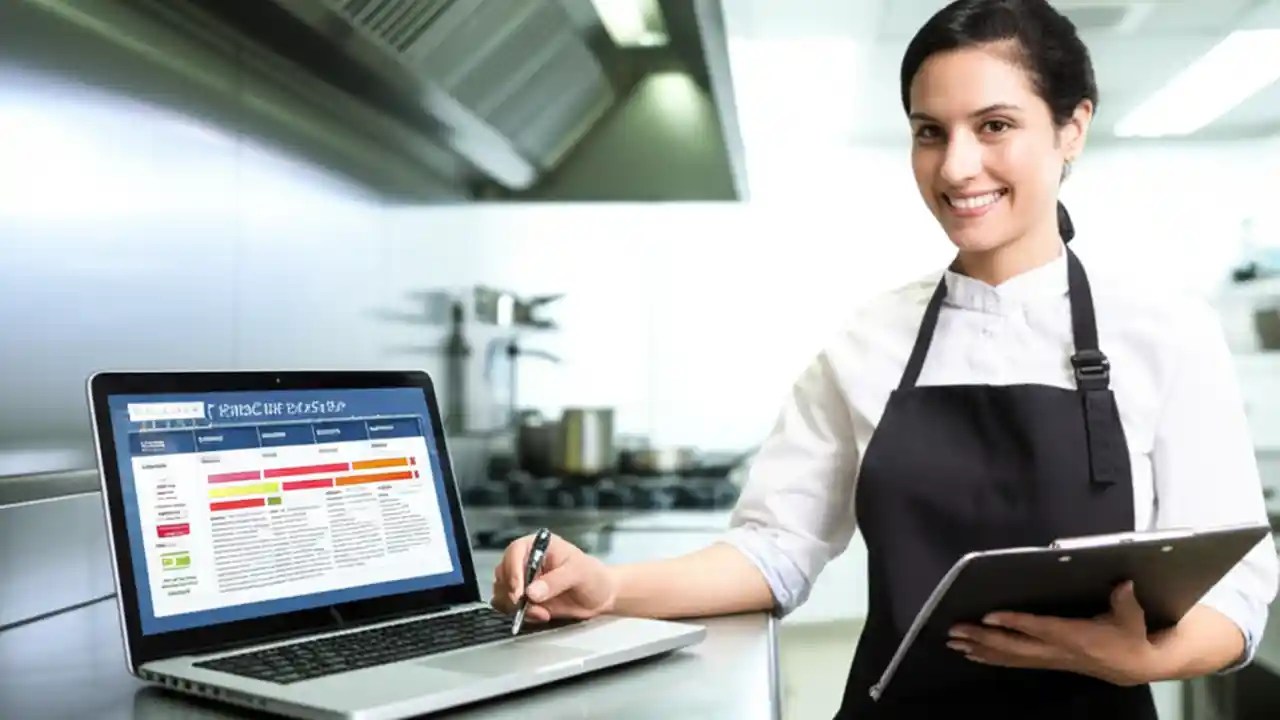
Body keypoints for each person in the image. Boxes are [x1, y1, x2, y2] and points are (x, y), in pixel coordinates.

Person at [490, 0, 1280, 716]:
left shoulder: (1166, 333)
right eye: (929, 131)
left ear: (1072, 127)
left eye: (994, 125)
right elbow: (776, 551)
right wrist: (611, 587)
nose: (956, 166)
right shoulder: (870, 342)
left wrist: (1132, 659)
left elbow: (1239, 588)